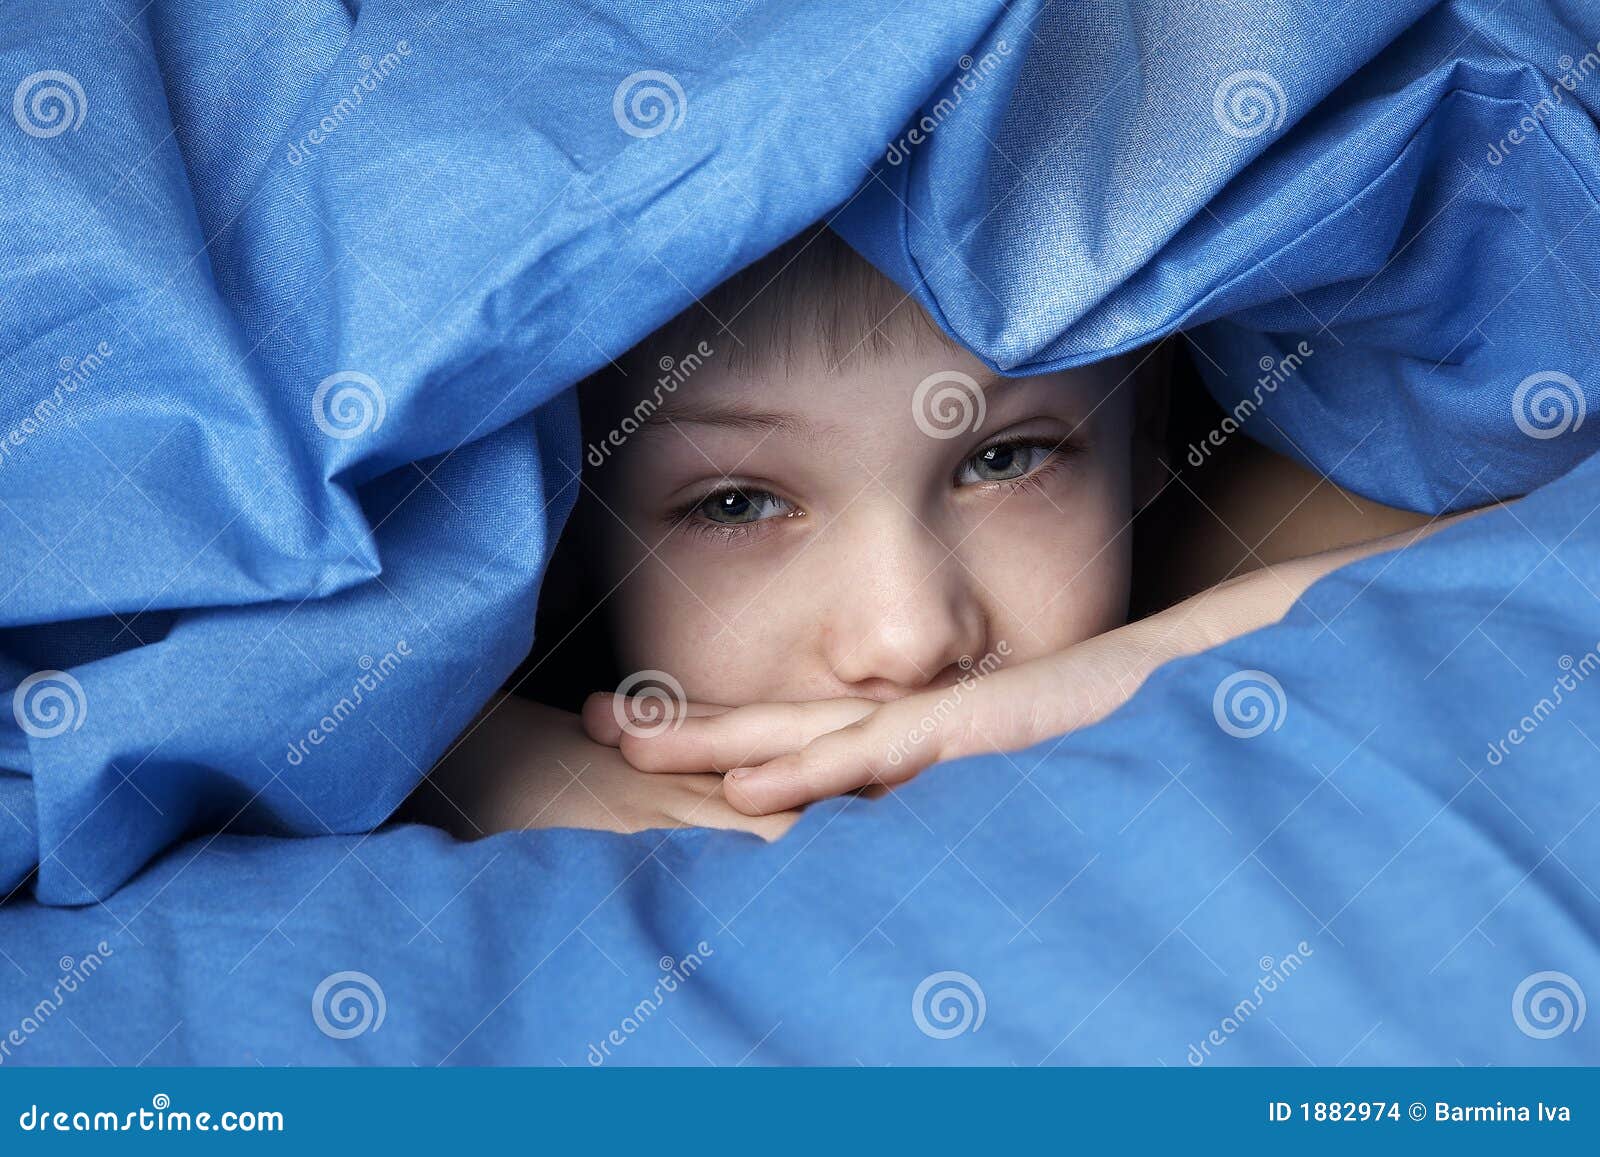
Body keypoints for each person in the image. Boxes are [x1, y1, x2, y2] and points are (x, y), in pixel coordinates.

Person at [407, 225, 1463, 839]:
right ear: (556, 541)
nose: (908, 638)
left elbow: (1535, 555)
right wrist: (480, 753)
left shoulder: (1206, 516)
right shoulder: (446, 644)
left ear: (1146, 434)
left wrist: (1134, 664)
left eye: (1005, 458)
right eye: (735, 503)